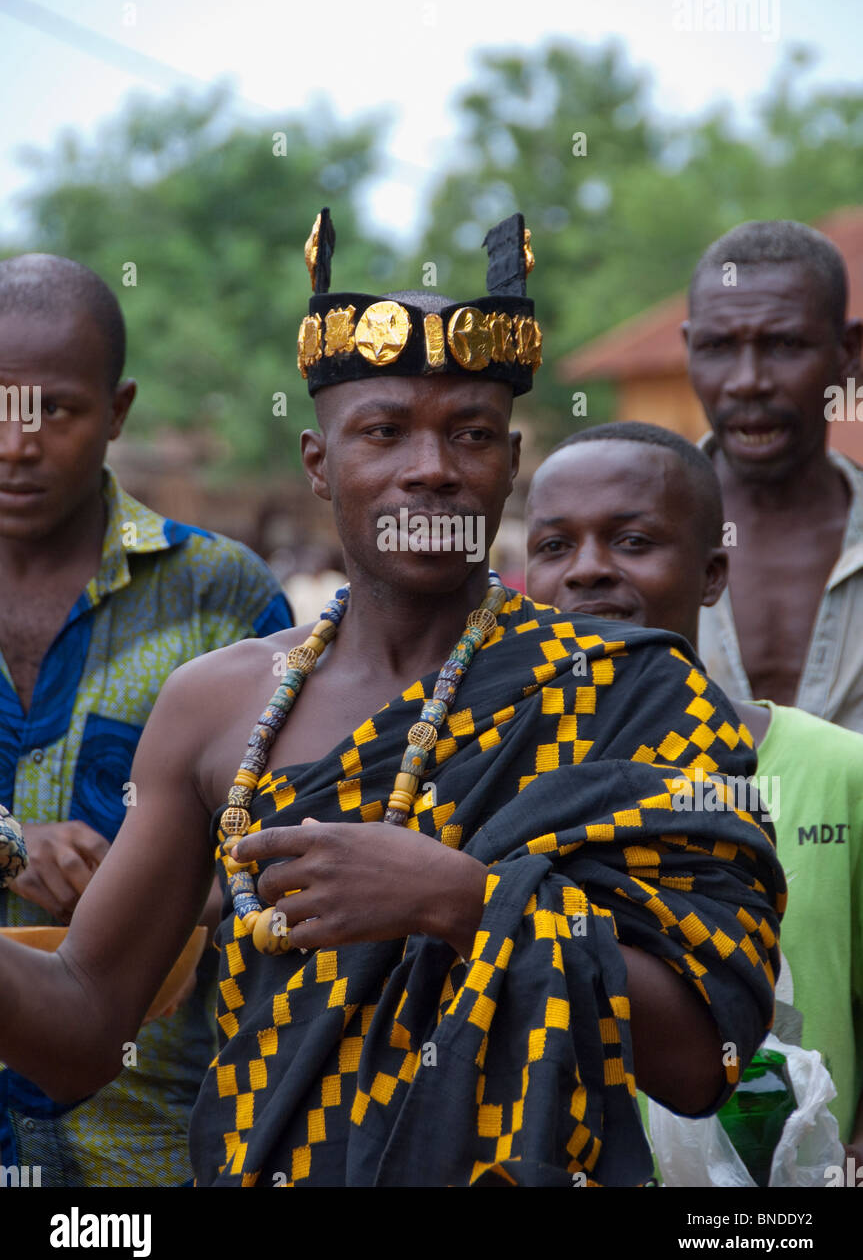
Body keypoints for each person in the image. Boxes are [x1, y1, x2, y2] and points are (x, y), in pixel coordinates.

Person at [0, 216, 783, 1188]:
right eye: (383, 431)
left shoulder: (636, 692)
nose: (429, 465)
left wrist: (456, 900)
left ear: (507, 464)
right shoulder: (217, 704)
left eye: (468, 433)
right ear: (319, 463)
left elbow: (703, 1058)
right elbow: (82, 1024)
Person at [0, 254, 294, 1186]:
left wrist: (144, 891)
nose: (18, 442)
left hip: (153, 1139)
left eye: (56, 410)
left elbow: (285, 863)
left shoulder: (223, 597)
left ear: (117, 412)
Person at [524, 420, 863, 1164]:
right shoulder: (489, 788)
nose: (585, 570)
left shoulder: (837, 772)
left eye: (632, 541)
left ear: (712, 574)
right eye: (553, 547)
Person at [684, 220, 863, 733]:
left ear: (849, 351)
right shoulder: (623, 543)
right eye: (717, 347)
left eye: (784, 345)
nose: (748, 382)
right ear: (689, 348)